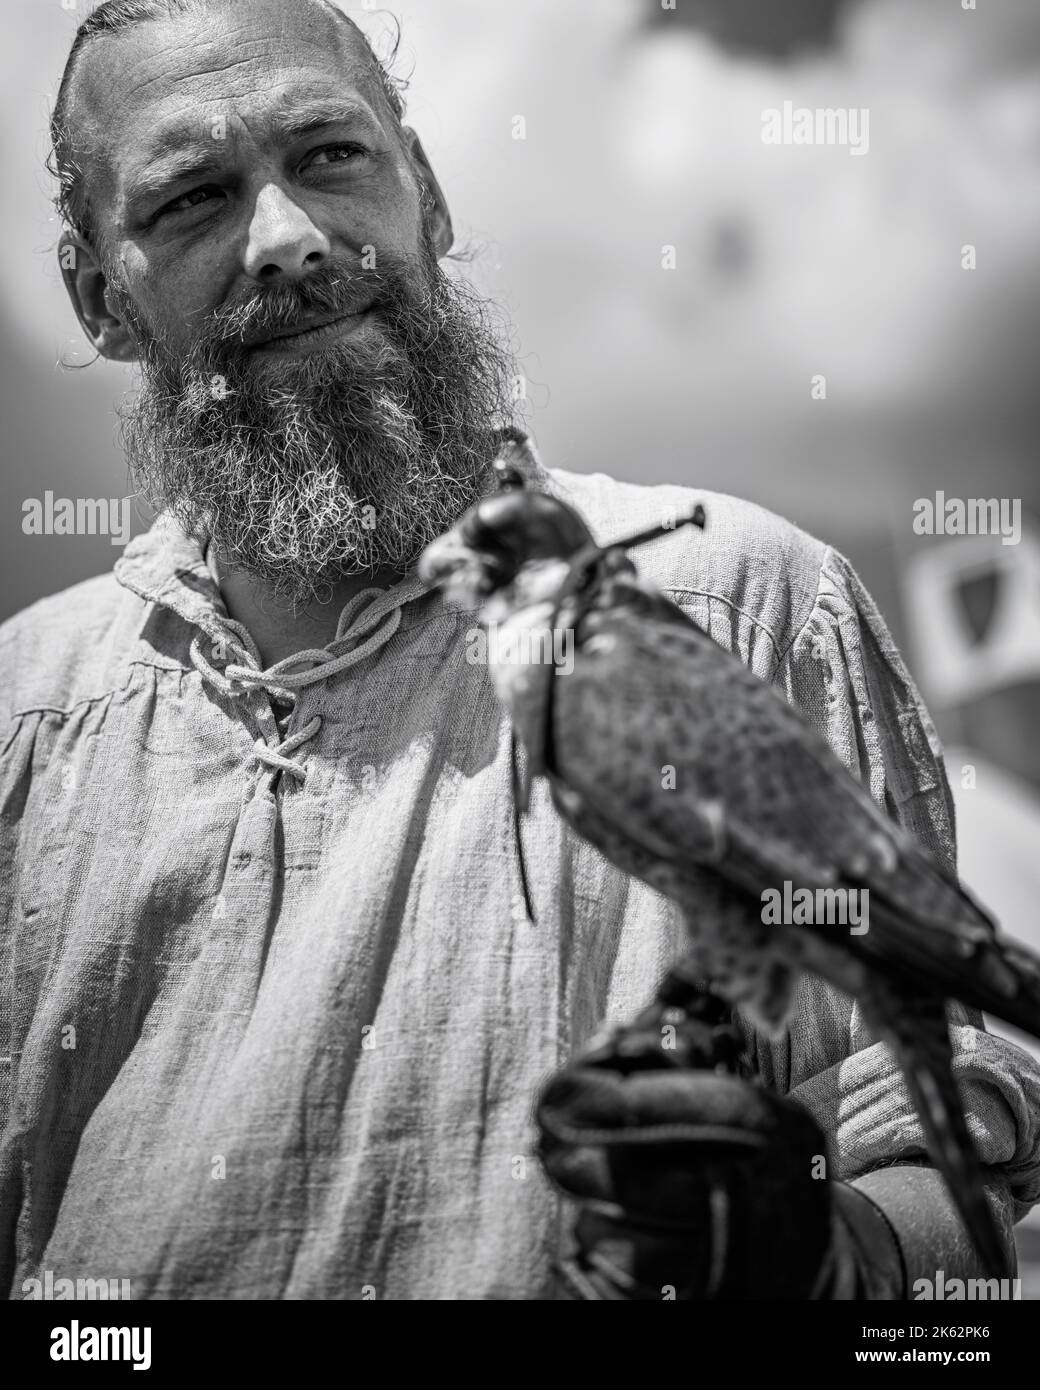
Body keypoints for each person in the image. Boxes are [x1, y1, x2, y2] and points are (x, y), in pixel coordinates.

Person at [1, 0, 1037, 1300]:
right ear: (101, 296)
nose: (287, 239)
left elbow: (970, 1128)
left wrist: (836, 1251)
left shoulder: (744, 605)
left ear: (425, 194)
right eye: (193, 199)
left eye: (330, 157)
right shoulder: (24, 723)